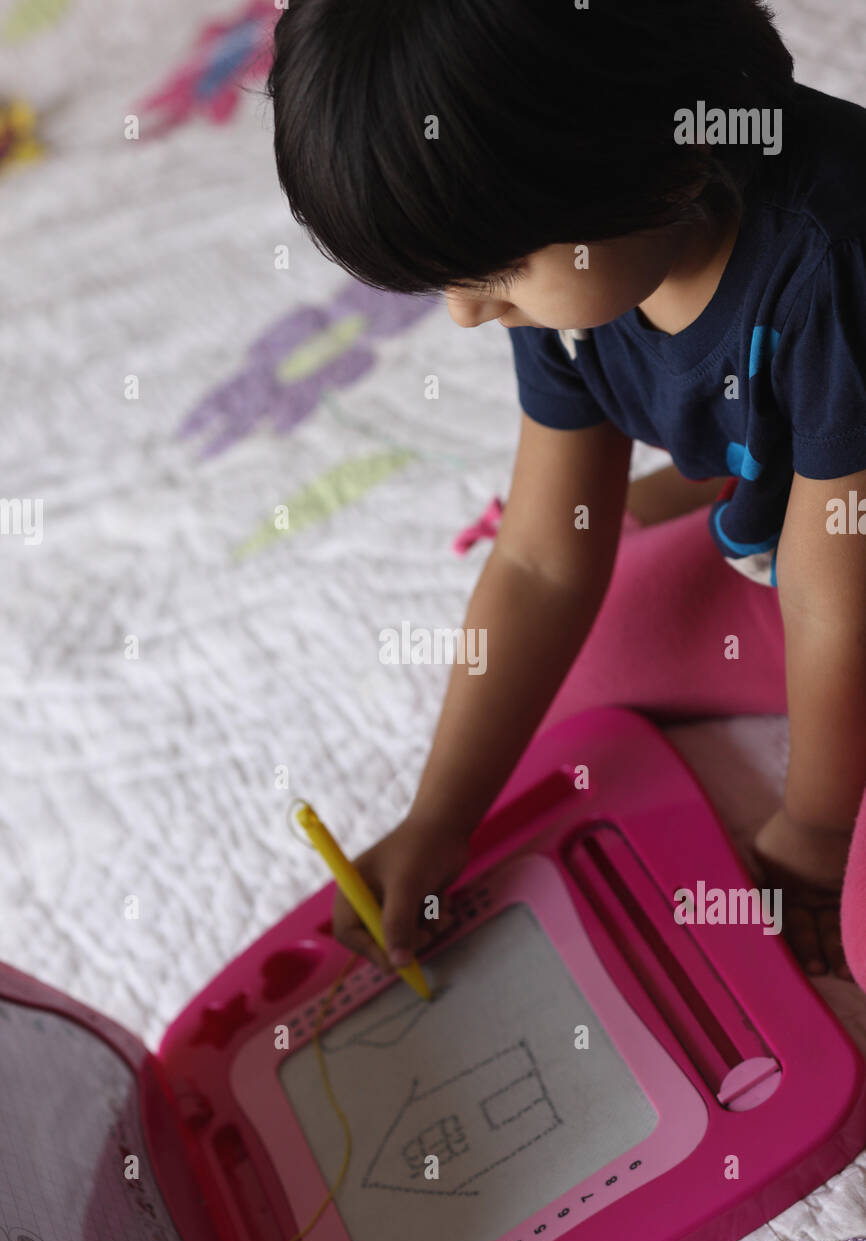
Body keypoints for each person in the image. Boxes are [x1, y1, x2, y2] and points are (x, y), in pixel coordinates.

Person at [266, 0, 866, 988]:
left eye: (495, 274)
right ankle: (730, 486)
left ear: (667, 165)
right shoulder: (582, 250)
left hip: (841, 575)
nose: (466, 314)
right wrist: (439, 817)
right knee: (573, 683)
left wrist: (811, 824)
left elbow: (834, 602)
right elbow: (544, 559)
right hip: (815, 556)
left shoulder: (831, 259)